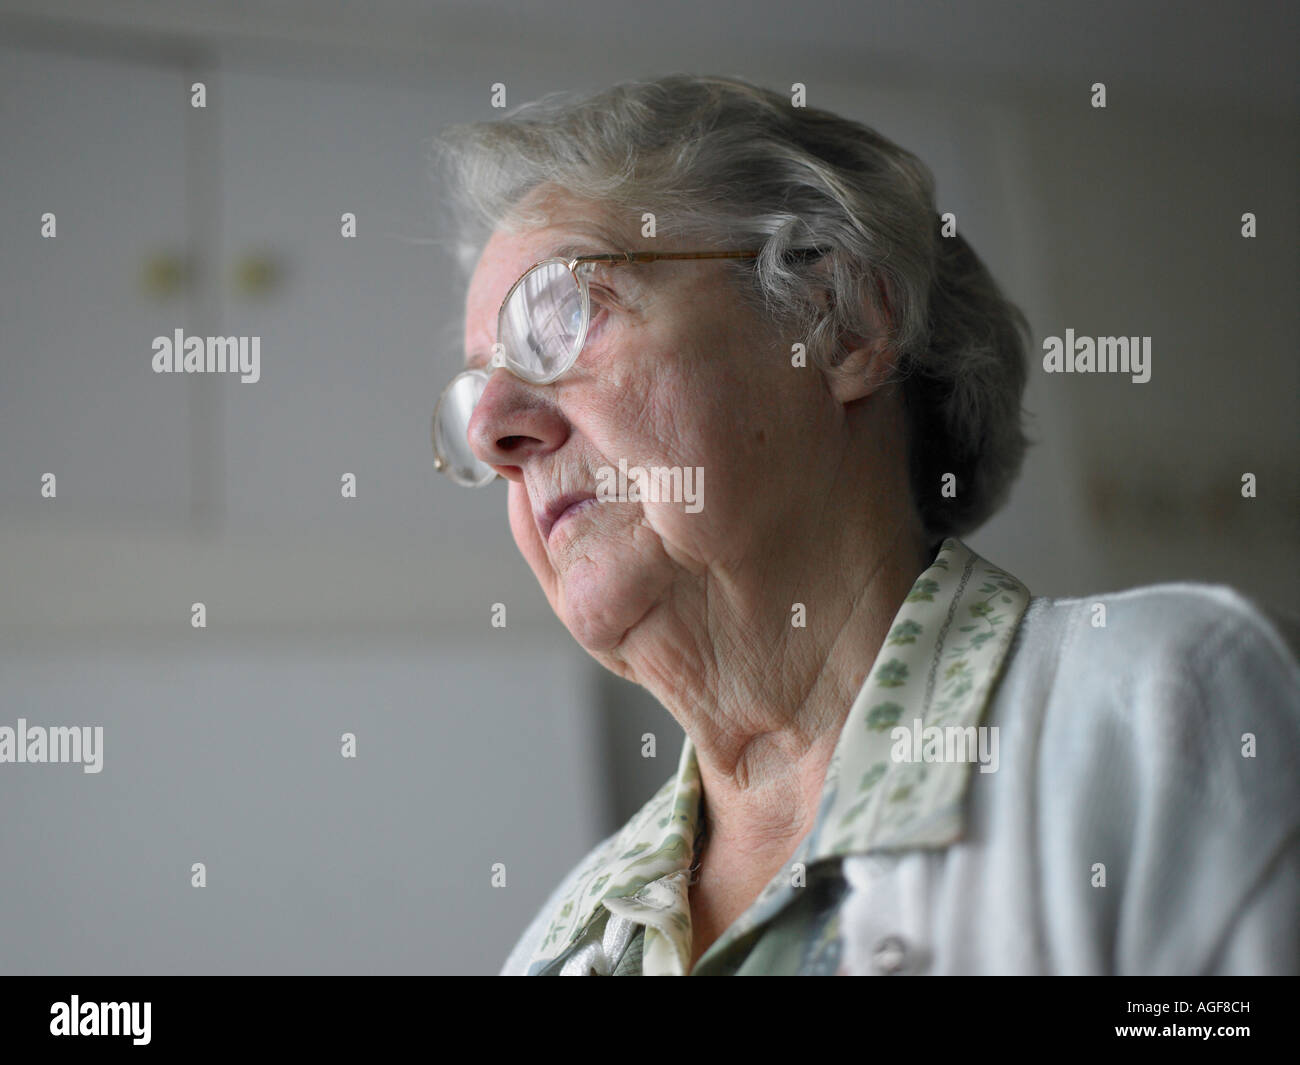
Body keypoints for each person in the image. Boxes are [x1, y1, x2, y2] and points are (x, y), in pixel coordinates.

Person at [428, 73, 1300, 975]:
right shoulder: (556, 950)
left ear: (837, 324)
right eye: (473, 389)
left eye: (561, 312)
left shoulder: (1169, 712)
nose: (495, 427)